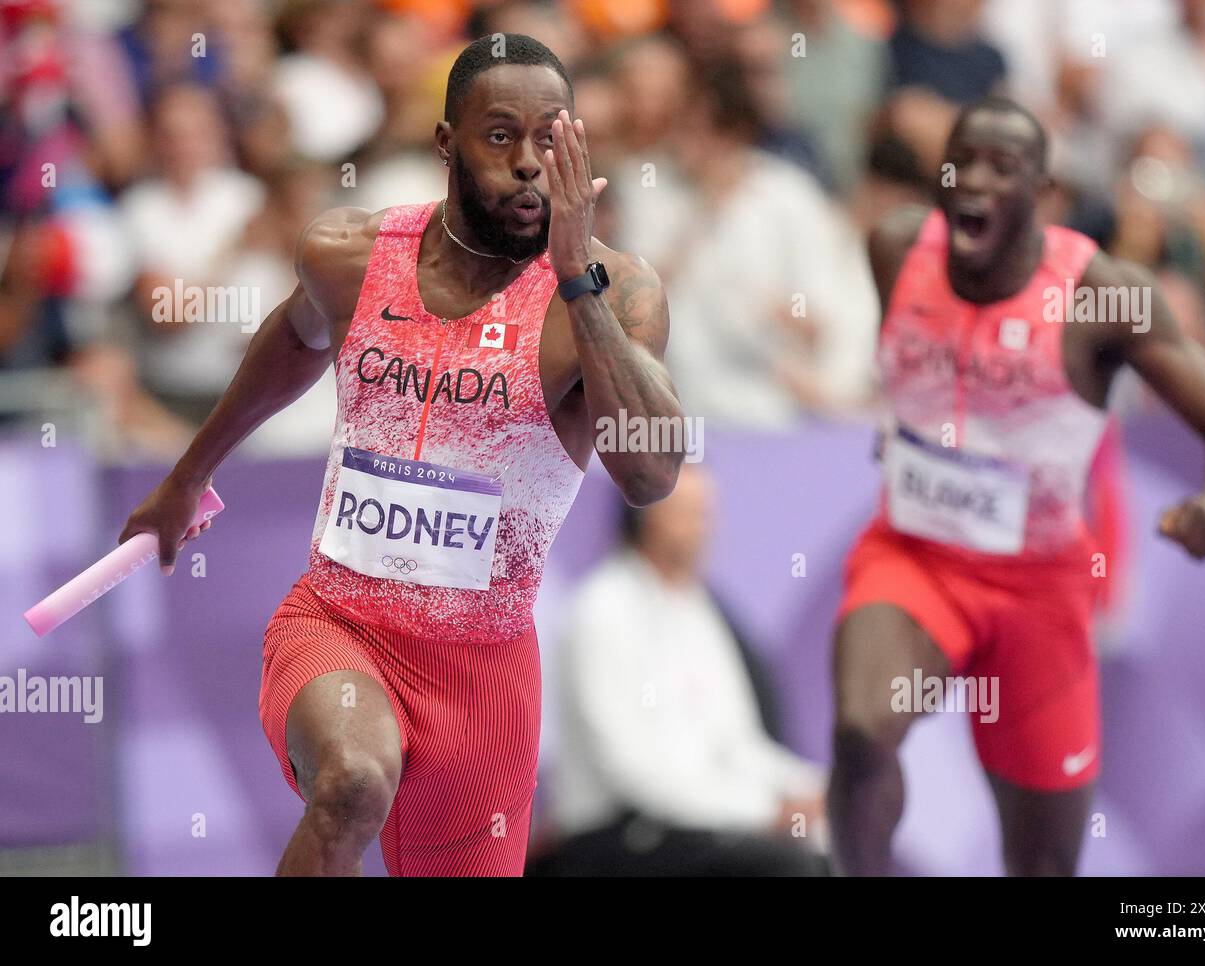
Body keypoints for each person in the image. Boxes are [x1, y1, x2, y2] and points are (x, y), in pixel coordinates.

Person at [117, 33, 684, 877]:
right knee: (352, 781)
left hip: (484, 678)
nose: (529, 162)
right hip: (339, 624)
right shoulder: (351, 256)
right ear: (446, 146)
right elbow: (297, 334)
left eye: (551, 138)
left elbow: (649, 476)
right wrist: (188, 474)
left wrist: (575, 278)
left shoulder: (613, 294)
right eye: (500, 136)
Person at [829, 97, 1205, 876]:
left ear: (1044, 191)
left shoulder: (1102, 297)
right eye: (960, 161)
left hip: (1040, 590)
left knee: (1041, 864)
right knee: (864, 729)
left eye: (1003, 169)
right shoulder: (897, 249)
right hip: (913, 557)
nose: (973, 180)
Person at [542, 463, 827, 876]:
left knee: (829, 847)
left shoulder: (699, 610)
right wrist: (762, 812)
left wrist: (815, 791)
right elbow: (633, 773)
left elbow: (737, 743)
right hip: (617, 833)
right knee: (786, 865)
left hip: (700, 822)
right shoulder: (601, 610)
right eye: (690, 513)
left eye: (707, 514)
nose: (704, 528)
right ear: (647, 514)